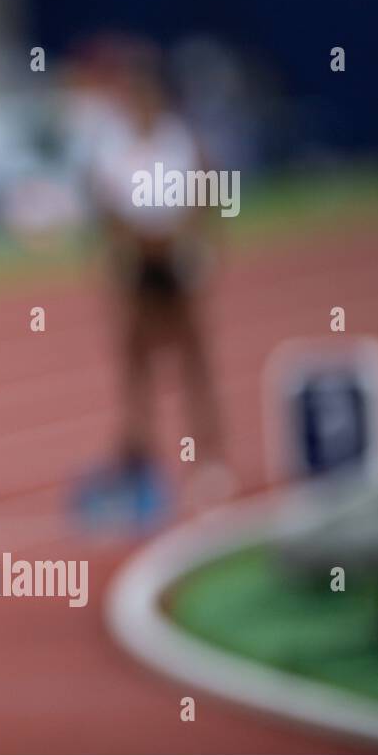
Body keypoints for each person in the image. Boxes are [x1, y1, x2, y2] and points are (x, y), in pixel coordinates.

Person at [71, 38, 234, 528]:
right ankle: (141, 465)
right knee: (135, 364)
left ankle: (209, 457)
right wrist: (119, 250)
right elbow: (101, 204)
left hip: (177, 260)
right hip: (138, 263)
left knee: (193, 358)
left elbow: (211, 188)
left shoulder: (179, 137)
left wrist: (204, 242)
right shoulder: (112, 143)